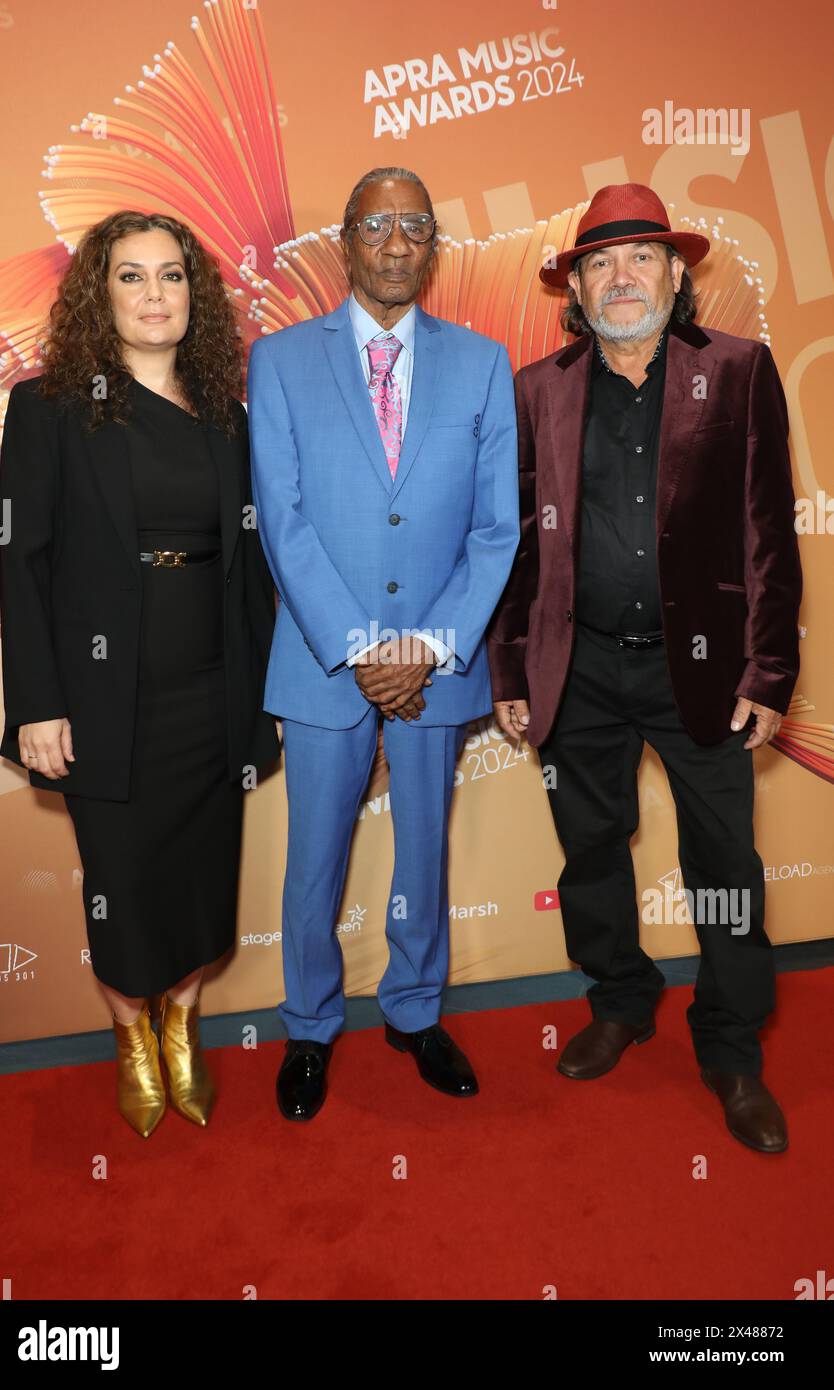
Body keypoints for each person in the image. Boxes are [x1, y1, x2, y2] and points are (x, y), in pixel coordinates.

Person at [487, 183, 802, 1154]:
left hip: (699, 672)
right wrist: (509, 667)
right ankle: (619, 1000)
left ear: (675, 272)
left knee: (721, 867)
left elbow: (764, 534)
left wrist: (766, 671)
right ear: (574, 288)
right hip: (574, 669)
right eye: (598, 262)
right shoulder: (535, 389)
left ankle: (729, 1045)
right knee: (589, 850)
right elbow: (513, 546)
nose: (620, 276)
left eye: (639, 257)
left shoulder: (740, 371)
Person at [0, 210, 279, 1138]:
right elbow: (25, 565)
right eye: (132, 277)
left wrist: (265, 695)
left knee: (203, 875)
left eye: (171, 276)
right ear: (99, 292)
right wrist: (38, 703)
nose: (155, 295)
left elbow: (254, 567)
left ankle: (182, 1028)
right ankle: (131, 1040)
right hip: (103, 696)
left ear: (195, 295)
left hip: (215, 686)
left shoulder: (229, 415)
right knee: (119, 880)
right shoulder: (49, 408)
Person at [248, 166, 519, 1120]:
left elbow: (496, 529)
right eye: (378, 225)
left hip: (434, 666)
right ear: (346, 241)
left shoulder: (484, 364)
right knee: (314, 858)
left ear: (434, 243)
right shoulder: (279, 362)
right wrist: (363, 646)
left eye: (416, 225)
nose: (397, 242)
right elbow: (282, 523)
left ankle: (413, 1010)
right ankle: (311, 1026)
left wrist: (427, 647)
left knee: (422, 855)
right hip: (326, 661)